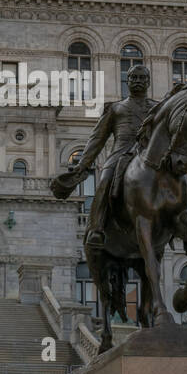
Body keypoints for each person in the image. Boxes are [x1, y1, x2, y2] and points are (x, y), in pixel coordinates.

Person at [52, 64, 158, 247]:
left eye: (142, 78)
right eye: (134, 77)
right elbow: (97, 139)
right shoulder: (116, 108)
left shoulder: (158, 109)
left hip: (150, 155)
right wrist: (83, 164)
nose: (138, 81)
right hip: (121, 153)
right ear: (127, 80)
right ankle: (96, 228)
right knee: (104, 180)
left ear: (148, 81)